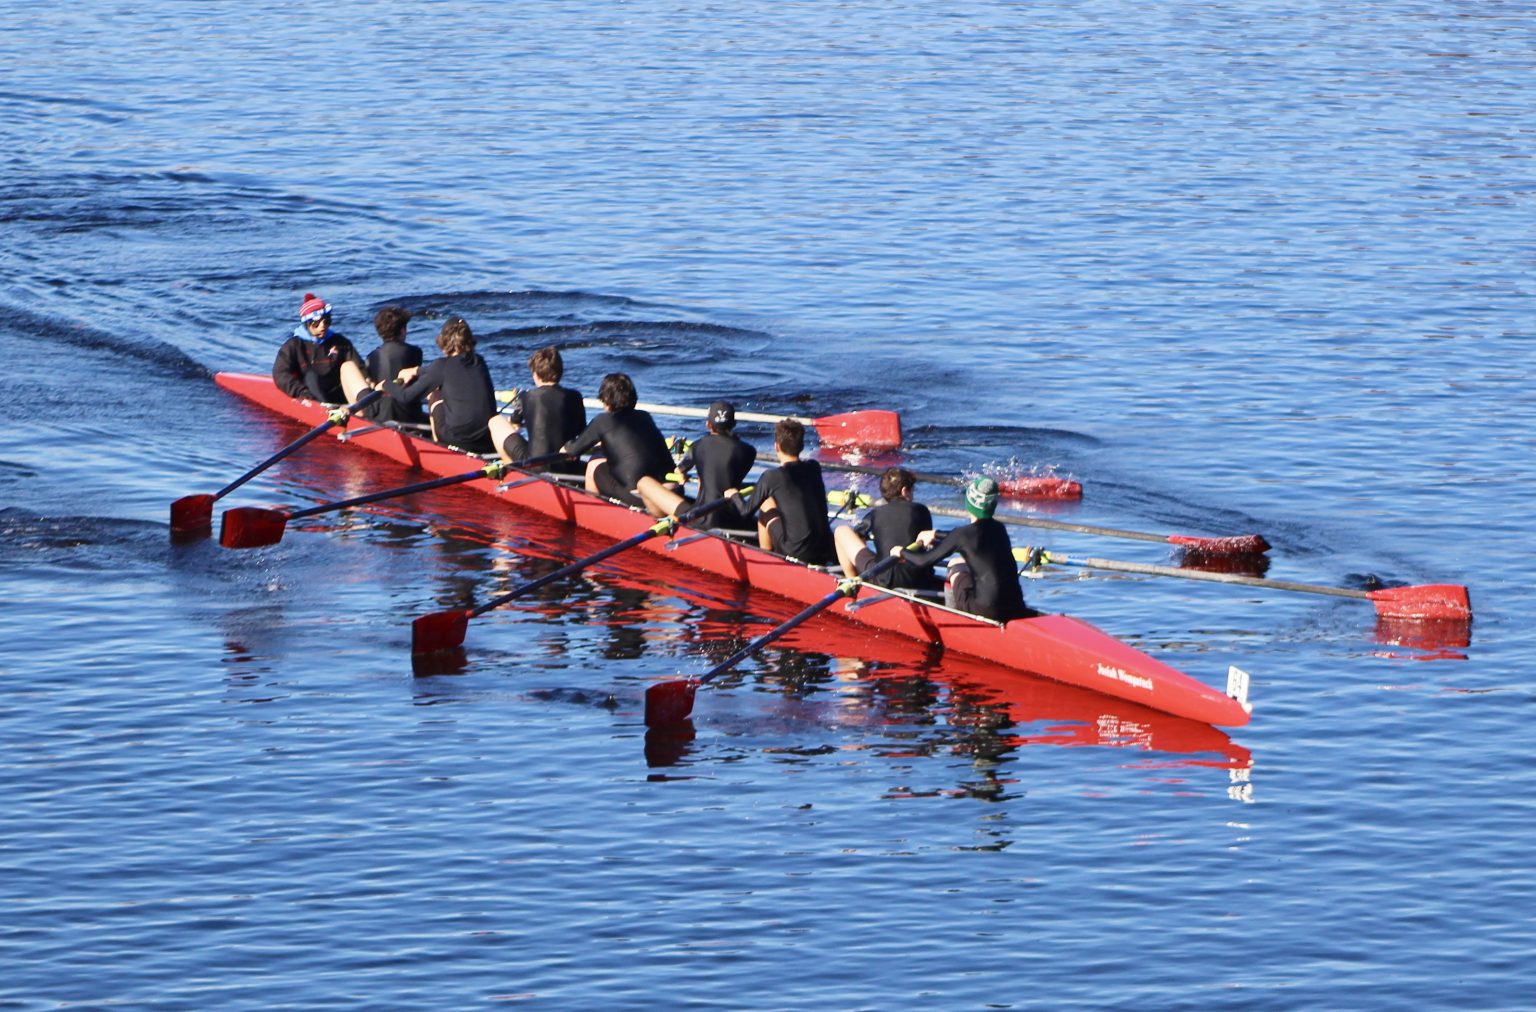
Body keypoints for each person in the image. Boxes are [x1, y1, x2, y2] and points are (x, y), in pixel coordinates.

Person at [895, 476, 1033, 622]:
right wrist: (936, 534)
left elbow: (923, 561)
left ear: (969, 503)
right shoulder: (1000, 529)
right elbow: (969, 540)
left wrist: (901, 552)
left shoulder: (962, 535)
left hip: (986, 610)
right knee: (971, 565)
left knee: (954, 564)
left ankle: (954, 617)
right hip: (1016, 606)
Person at [379, 316, 499, 454]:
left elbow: (406, 396)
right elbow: (443, 369)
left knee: (435, 393)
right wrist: (416, 370)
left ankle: (438, 446)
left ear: (443, 342)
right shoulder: (479, 361)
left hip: (457, 440)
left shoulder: (441, 366)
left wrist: (385, 384)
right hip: (487, 439)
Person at [723, 418, 833, 565]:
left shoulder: (772, 476)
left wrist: (734, 495)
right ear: (801, 446)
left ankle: (765, 559)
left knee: (766, 504)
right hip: (824, 547)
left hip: (796, 552)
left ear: (777, 446)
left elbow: (744, 512)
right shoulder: (814, 467)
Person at [636, 400, 757, 531]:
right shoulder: (749, 451)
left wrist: (682, 476)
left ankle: (663, 523)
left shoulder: (698, 446)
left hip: (699, 517)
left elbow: (679, 471)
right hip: (732, 517)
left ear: (708, 425)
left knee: (644, 482)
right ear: (734, 424)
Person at [560, 373, 674, 510]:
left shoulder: (603, 420)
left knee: (593, 465)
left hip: (638, 496)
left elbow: (573, 450)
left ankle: (592, 512)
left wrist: (564, 449)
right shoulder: (645, 416)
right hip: (669, 490)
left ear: (606, 399)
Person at [832, 467, 940, 590]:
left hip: (883, 578)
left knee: (841, 531)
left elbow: (858, 533)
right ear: (904, 491)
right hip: (920, 579)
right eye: (912, 490)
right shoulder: (922, 510)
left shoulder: (876, 513)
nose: (912, 494)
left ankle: (853, 585)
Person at [490, 346, 586, 474]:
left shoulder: (525, 396)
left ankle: (511, 471)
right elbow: (582, 432)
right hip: (567, 465)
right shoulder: (576, 396)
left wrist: (515, 413)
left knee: (495, 421)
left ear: (535, 374)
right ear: (560, 372)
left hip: (535, 465)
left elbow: (515, 423)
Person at [271, 292, 369, 404]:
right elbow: (280, 374)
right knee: (311, 376)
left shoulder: (340, 342)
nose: (323, 326)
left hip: (340, 393)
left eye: (326, 322)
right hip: (311, 395)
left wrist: (368, 380)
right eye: (316, 324)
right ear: (307, 324)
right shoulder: (294, 345)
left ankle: (368, 408)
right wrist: (300, 392)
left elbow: (359, 367)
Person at [363, 305, 424, 424]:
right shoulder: (416, 352)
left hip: (381, 415)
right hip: (409, 415)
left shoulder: (371, 357)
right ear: (402, 330)